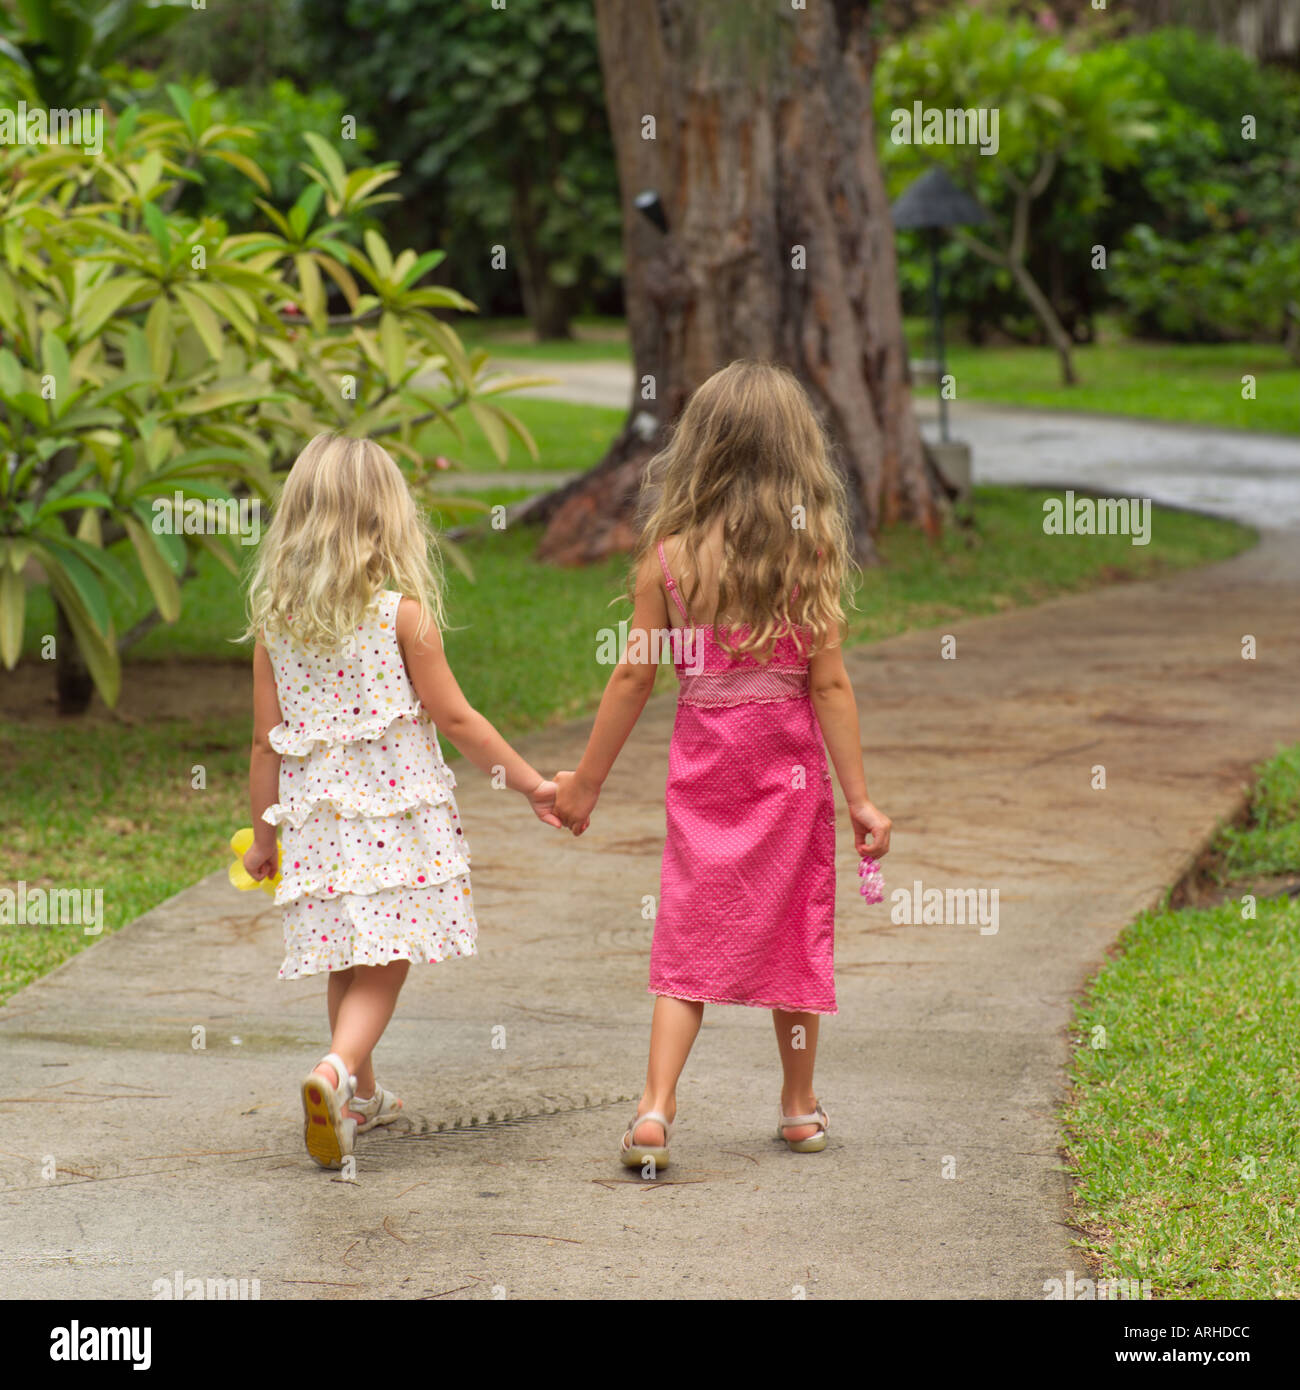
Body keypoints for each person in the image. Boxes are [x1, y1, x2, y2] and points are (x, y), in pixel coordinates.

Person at [553, 361, 892, 1171]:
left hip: (706, 771)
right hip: (790, 776)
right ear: (797, 456)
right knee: (795, 939)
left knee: (687, 942)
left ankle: (654, 1110)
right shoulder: (808, 555)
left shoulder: (669, 561)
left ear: (699, 450)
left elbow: (635, 674)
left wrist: (585, 784)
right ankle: (800, 1108)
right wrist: (861, 801)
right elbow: (830, 683)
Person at [241, 432, 561, 1169]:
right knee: (384, 965)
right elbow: (457, 721)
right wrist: (533, 783)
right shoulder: (401, 615)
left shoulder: (276, 627)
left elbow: (264, 744)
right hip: (394, 826)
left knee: (348, 959)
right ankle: (334, 1072)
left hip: (319, 824)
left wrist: (263, 838)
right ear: (387, 521)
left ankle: (357, 1096)